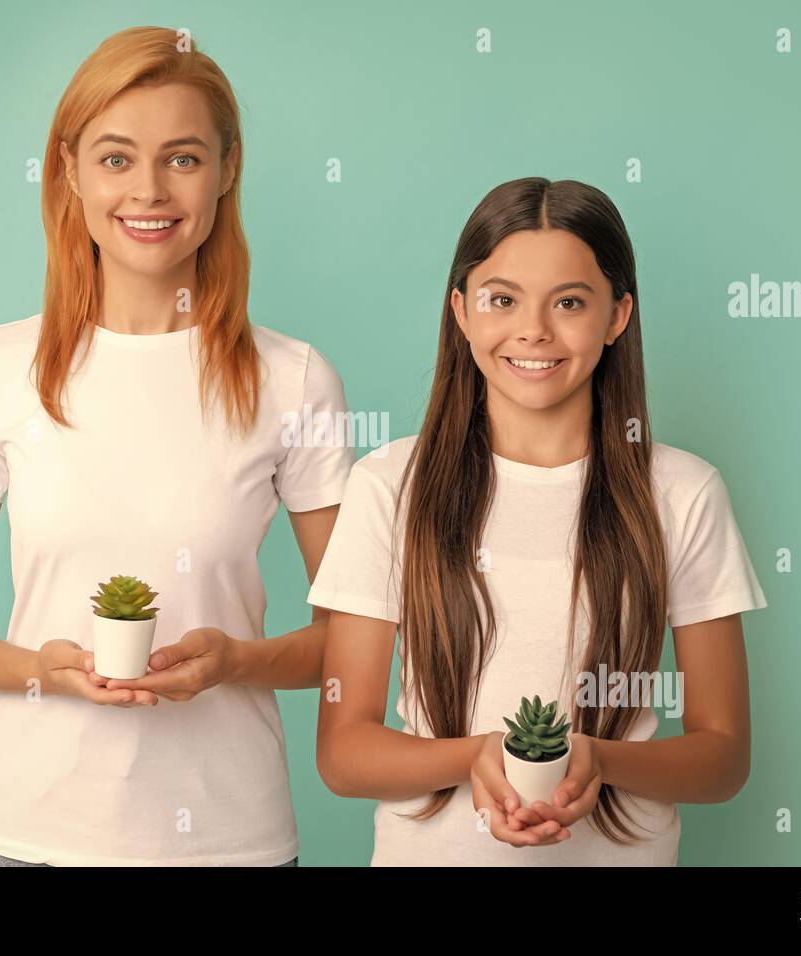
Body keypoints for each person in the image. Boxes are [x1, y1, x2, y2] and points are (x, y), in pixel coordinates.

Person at [0, 26, 352, 866]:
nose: (148, 189)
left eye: (182, 158)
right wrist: (44, 669)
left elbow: (352, 638)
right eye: (116, 158)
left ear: (227, 171)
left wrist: (237, 662)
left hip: (230, 841)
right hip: (25, 835)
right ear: (69, 170)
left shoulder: (293, 381)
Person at [309, 177, 768, 865]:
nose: (533, 331)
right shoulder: (387, 487)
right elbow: (344, 752)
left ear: (618, 316)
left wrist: (597, 762)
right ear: (461, 312)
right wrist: (476, 758)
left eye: (571, 303)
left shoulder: (683, 493)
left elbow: (724, 758)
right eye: (503, 299)